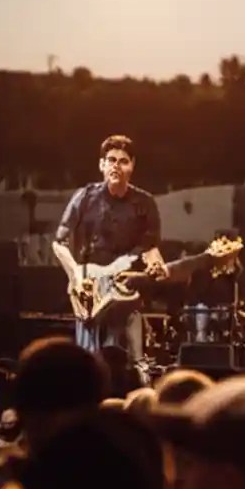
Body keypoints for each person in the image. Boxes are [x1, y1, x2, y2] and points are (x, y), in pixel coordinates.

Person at [52, 135, 162, 366]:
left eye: (123, 161)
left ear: (132, 166)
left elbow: (150, 247)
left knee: (131, 361)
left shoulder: (145, 202)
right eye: (111, 160)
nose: (116, 166)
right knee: (89, 359)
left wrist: (156, 264)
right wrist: (75, 275)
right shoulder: (84, 197)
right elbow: (59, 242)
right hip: (89, 287)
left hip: (124, 291)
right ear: (101, 165)